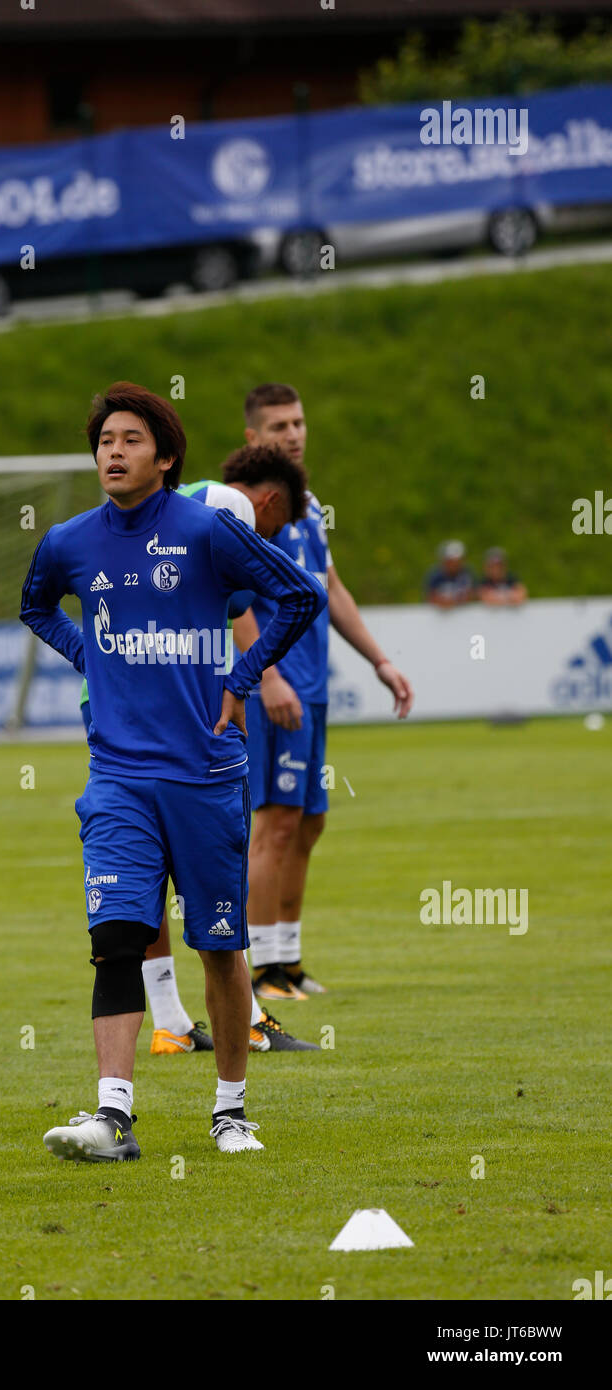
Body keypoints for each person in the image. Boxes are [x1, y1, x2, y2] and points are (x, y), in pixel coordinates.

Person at [20, 382, 326, 1161]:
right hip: (117, 777)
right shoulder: (69, 541)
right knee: (117, 937)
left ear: (165, 455)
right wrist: (87, 653)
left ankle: (230, 1110)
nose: (112, 453)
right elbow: (35, 606)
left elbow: (295, 596)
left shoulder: (207, 529)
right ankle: (111, 1116)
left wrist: (244, 676)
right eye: (103, 441)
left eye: (129, 440)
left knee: (219, 945)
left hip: (203, 771)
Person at [78, 442, 313, 1057]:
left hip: (118, 691)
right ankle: (219, 1019)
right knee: (177, 847)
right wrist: (254, 676)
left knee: (145, 860)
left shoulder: (176, 510)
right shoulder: (221, 511)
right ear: (264, 506)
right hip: (148, 696)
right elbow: (238, 599)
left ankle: (175, 1021)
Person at [233, 382, 414, 1006]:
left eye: (300, 422)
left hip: (312, 691)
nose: (295, 433)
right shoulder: (246, 507)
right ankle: (257, 971)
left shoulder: (308, 507)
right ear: (254, 438)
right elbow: (235, 601)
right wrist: (269, 676)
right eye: (280, 426)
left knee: (309, 822)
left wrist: (380, 660)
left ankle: (286, 960)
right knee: (275, 824)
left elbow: (331, 591)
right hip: (272, 690)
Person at [425, 540, 476, 607]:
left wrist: (456, 600)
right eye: (451, 561)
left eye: (457, 560)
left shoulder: (467, 574)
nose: (454, 564)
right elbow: (429, 596)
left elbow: (474, 593)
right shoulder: (435, 575)